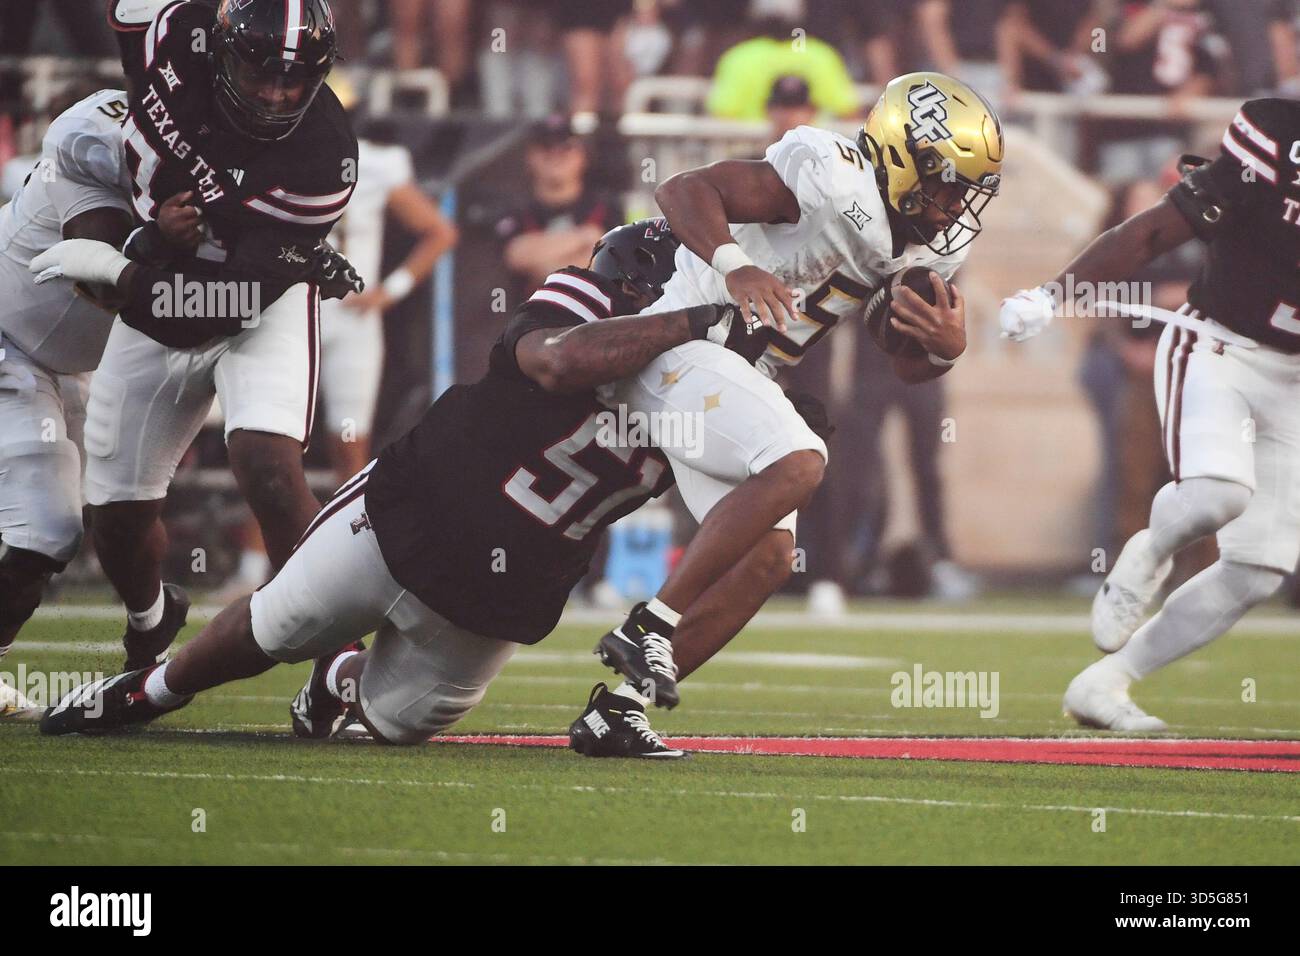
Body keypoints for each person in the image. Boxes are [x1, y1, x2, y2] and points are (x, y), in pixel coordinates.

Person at [39, 221, 742, 758]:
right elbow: (557, 364)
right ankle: (143, 690)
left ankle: (341, 677)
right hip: (410, 508)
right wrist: (687, 325)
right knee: (272, 626)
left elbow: (756, 497)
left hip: (502, 594)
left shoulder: (714, 386)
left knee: (393, 728)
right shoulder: (581, 296)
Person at [574, 73, 1002, 720]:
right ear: (899, 156)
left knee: (771, 559)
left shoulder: (929, 242)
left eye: (964, 190)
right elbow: (683, 189)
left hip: (730, 378)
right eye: (945, 182)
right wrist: (733, 264)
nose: (952, 204)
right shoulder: (831, 172)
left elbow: (907, 362)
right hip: (676, 339)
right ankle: (651, 625)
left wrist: (945, 347)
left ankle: (621, 709)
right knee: (801, 460)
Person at [45, 0, 360, 672]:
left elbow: (210, 310)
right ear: (218, 52)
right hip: (159, 267)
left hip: (250, 298)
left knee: (268, 467)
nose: (277, 93)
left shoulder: (323, 158)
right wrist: (151, 237)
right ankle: (151, 619)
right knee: (115, 517)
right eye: (260, 74)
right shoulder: (173, 35)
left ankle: (339, 657)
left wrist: (133, 268)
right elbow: (130, 22)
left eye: (296, 77)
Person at [1000, 98, 1300, 731]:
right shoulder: (1278, 138)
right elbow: (1158, 229)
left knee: (1257, 570)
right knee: (1217, 495)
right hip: (1222, 347)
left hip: (1295, 381)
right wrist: (1055, 293)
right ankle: (1149, 550)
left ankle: (1105, 684)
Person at [0, 89, 139, 716]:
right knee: (44, 527)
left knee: (50, 530)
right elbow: (99, 276)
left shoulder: (229, 153)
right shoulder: (103, 127)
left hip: (61, 364)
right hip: (9, 339)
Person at [497, 115, 624, 297]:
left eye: (566, 148)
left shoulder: (607, 208)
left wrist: (544, 262)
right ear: (530, 157)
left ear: (583, 155)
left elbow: (607, 264)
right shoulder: (515, 211)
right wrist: (584, 237)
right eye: (546, 147)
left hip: (594, 319)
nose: (556, 156)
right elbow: (516, 256)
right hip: (531, 318)